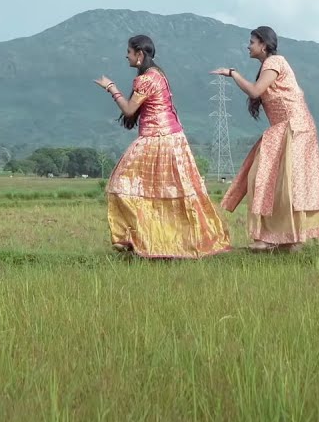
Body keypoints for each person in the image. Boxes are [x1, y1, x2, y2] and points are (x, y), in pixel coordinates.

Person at [95, 35, 231, 258]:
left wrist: (111, 88)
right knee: (164, 193)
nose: (126, 55)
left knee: (120, 184)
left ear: (139, 54)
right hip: (172, 139)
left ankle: (133, 239)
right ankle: (153, 242)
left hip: (157, 138)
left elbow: (129, 110)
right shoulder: (159, 75)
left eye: (128, 51)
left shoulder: (146, 79)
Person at [212, 26, 319, 251]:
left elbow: (255, 91)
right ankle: (275, 237)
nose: (249, 46)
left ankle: (287, 239)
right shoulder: (269, 65)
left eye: (252, 42)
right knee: (265, 178)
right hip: (284, 127)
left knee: (284, 183)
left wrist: (232, 73)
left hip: (295, 126)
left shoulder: (274, 62)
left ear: (263, 45)